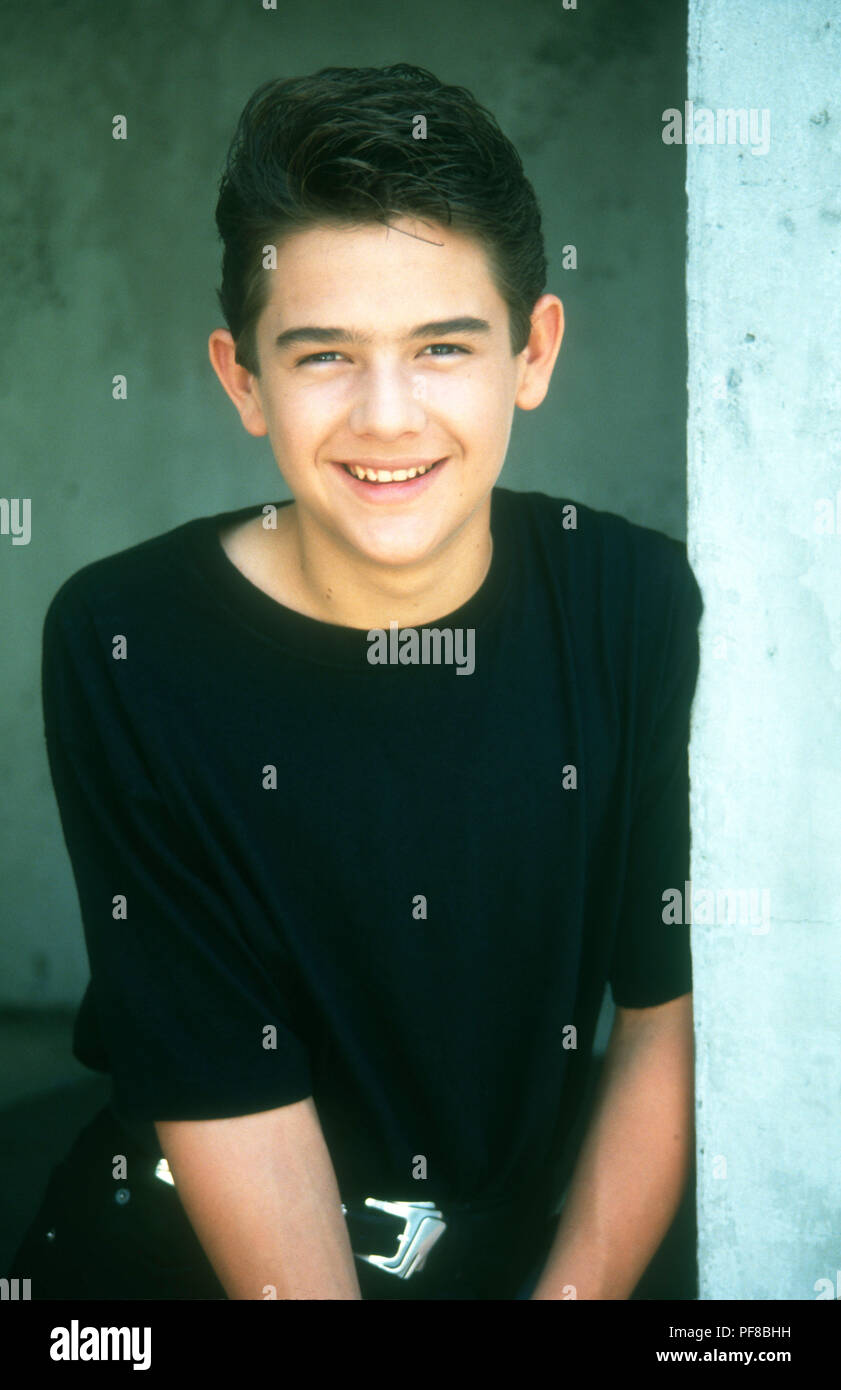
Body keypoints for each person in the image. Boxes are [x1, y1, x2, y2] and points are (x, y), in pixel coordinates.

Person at [7, 62, 701, 1301]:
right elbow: (222, 1081)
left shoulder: (632, 604)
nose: (388, 416)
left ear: (531, 352)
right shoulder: (129, 638)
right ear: (242, 379)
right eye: (323, 354)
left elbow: (662, 1017)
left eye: (443, 345)